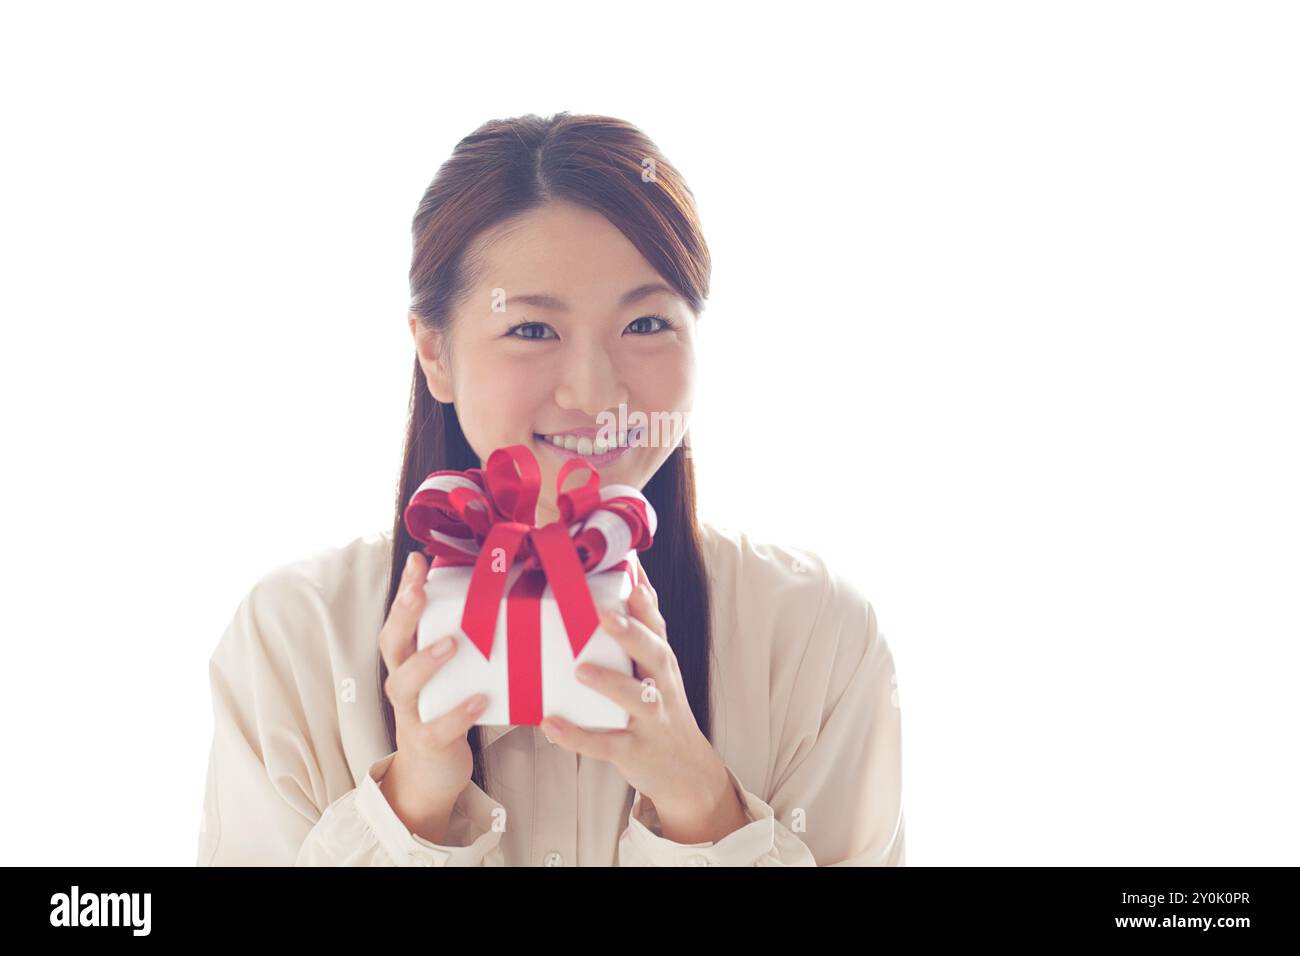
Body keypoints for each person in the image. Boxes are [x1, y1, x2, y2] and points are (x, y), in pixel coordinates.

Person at [196, 112, 905, 866]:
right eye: (532, 330)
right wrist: (413, 807)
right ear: (435, 353)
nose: (596, 392)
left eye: (645, 323)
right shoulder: (294, 638)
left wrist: (701, 802)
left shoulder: (814, 637)